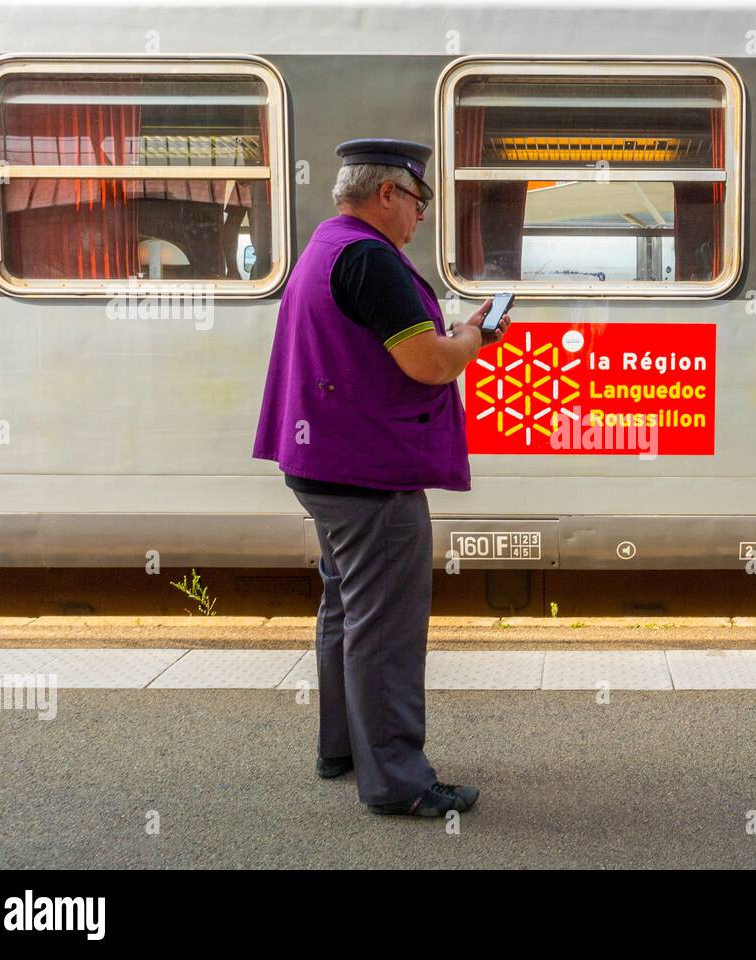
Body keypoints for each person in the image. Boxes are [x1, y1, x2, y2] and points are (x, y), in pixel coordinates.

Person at [252, 137, 510, 818]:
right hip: (369, 477)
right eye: (419, 199)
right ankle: (398, 779)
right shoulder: (371, 259)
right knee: (386, 630)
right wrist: (475, 340)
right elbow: (427, 364)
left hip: (324, 467)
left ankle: (343, 747)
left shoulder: (327, 247)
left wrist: (450, 332)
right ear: (389, 192)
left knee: (346, 609)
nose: (422, 215)